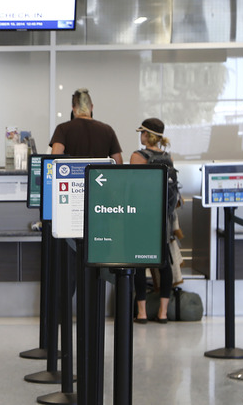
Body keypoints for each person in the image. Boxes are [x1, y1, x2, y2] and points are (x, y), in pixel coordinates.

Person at [131, 118, 174, 324]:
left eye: (142, 132)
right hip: (162, 219)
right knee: (164, 264)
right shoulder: (167, 157)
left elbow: (131, 188)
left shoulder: (137, 157)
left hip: (141, 217)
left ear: (147, 135)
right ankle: (163, 313)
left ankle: (141, 313)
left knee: (139, 263)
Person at [49, 88, 123, 164]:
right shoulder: (107, 130)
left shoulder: (62, 129)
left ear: (73, 108)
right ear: (91, 107)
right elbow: (118, 163)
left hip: (72, 175)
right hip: (99, 175)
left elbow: (54, 160)